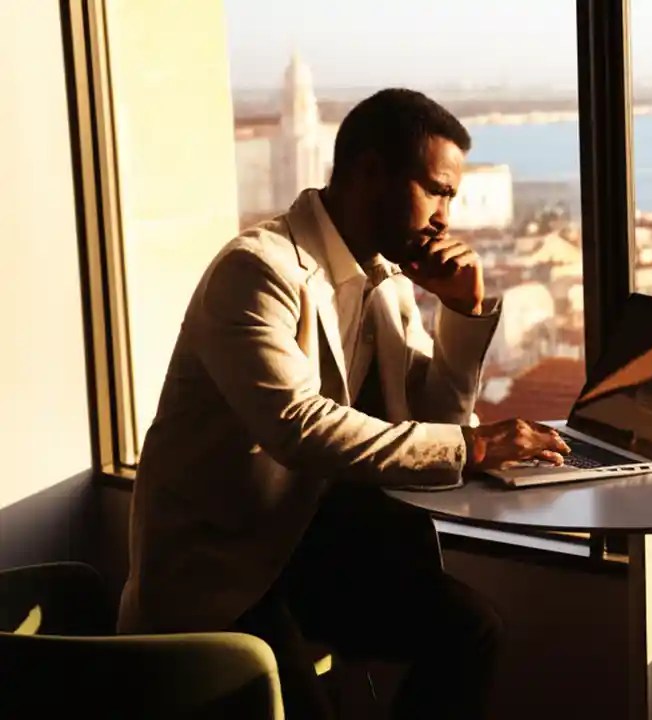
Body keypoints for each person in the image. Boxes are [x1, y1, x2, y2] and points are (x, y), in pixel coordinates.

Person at [117, 88, 570, 719]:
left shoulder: (387, 282)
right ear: (369, 172)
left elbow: (434, 427)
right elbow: (298, 427)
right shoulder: (257, 270)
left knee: (473, 629)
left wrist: (462, 316)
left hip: (317, 554)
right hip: (226, 567)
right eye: (437, 191)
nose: (446, 216)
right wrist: (477, 446)